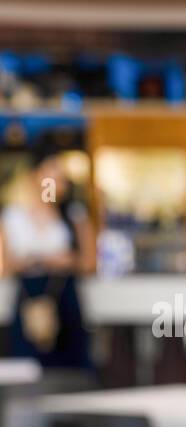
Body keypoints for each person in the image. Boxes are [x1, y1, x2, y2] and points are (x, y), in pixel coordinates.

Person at [1, 137, 96, 369]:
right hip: (29, 298)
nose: (58, 180)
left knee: (69, 369)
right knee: (29, 368)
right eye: (51, 172)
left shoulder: (73, 215)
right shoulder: (13, 216)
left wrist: (65, 262)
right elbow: (5, 266)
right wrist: (37, 261)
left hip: (64, 296)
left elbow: (89, 263)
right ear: (35, 174)